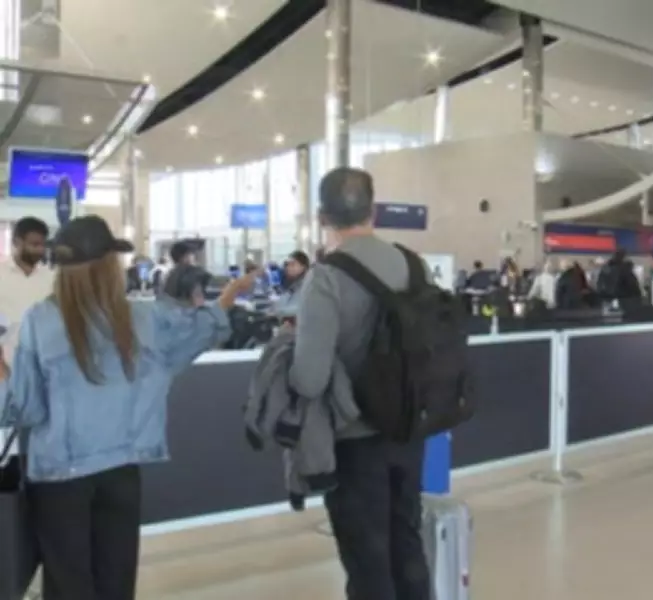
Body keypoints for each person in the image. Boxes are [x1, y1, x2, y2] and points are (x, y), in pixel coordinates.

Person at [0, 215, 257, 600]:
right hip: (122, 473)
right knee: (116, 583)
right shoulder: (144, 318)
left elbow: (27, 409)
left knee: (68, 585)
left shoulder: (41, 321)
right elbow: (203, 331)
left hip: (59, 479)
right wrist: (229, 295)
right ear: (109, 266)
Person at [289, 167, 430, 600]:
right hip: (409, 431)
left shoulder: (326, 278)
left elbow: (309, 379)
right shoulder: (414, 264)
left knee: (368, 561)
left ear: (322, 217)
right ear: (374, 210)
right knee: (407, 545)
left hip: (354, 442)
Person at [0, 217, 53, 458]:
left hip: (43, 370)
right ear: (16, 242)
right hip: (6, 369)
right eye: (33, 244)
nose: (39, 250)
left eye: (42, 244)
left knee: (37, 437)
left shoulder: (52, 279)